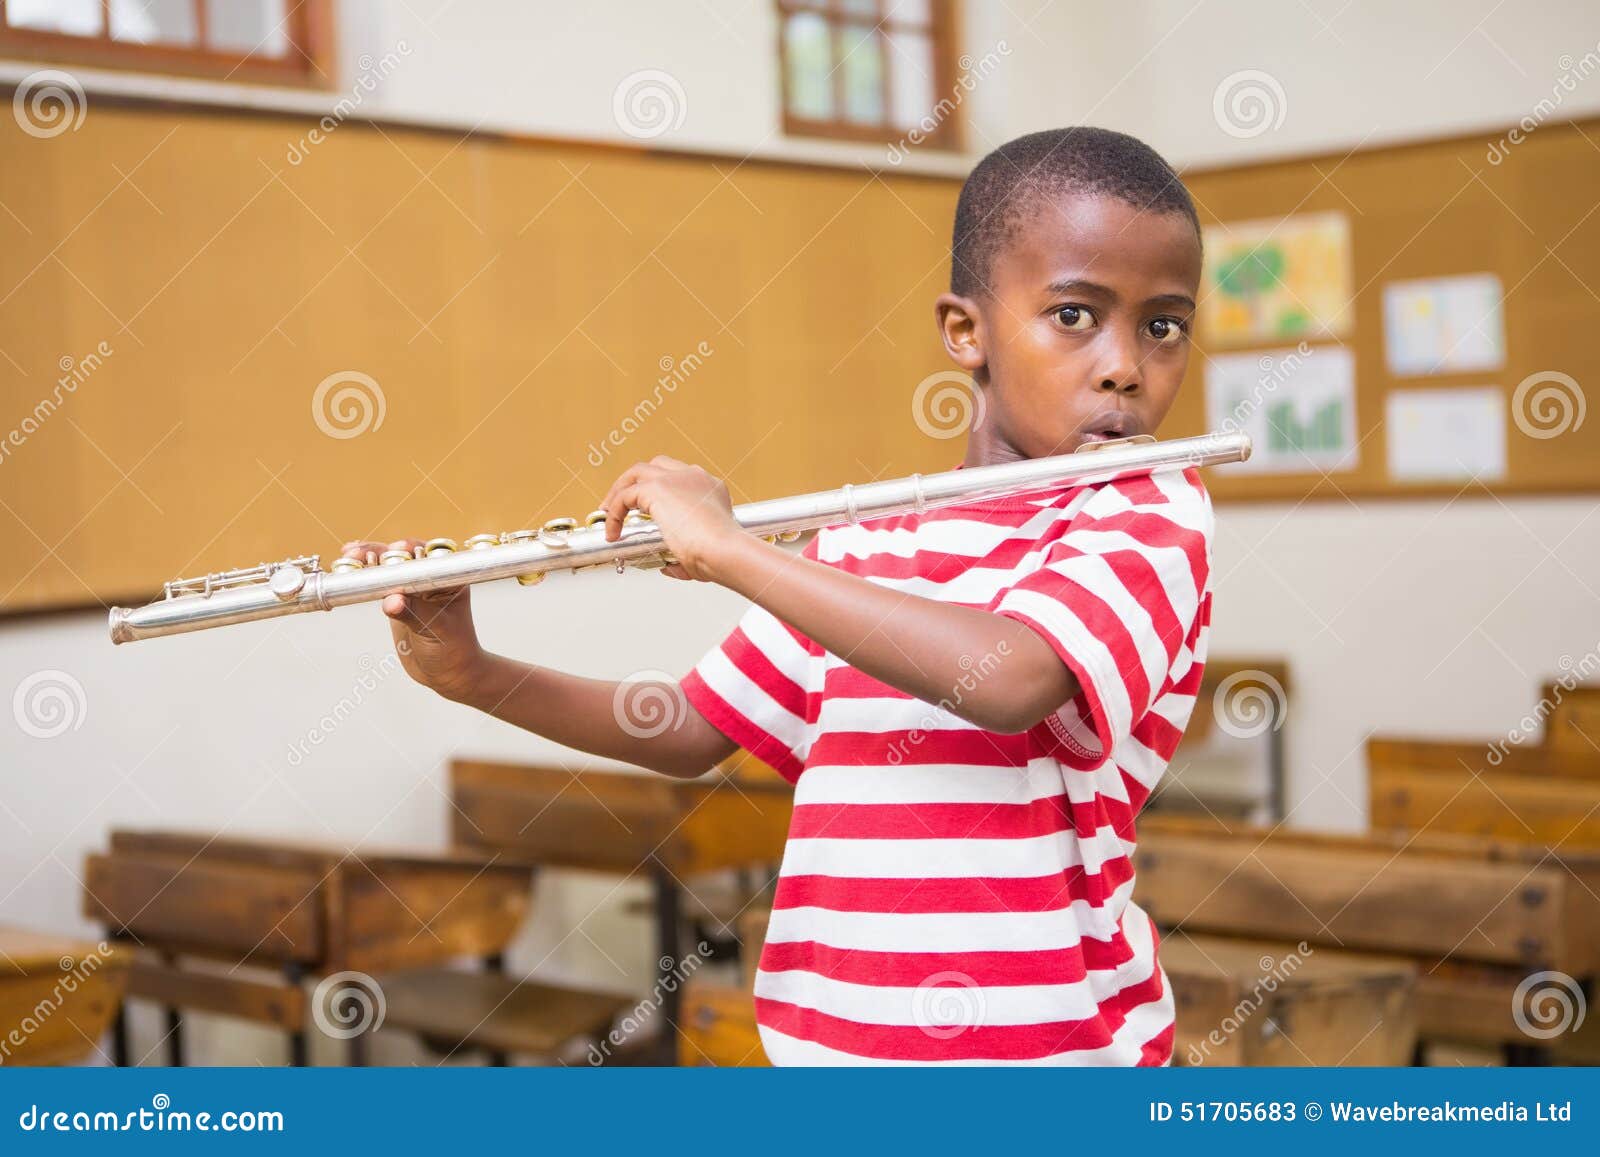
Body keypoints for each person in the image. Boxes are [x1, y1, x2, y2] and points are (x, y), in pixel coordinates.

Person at [343, 127, 1213, 1065]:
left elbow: (1007, 675)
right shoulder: (863, 541)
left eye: (1163, 325)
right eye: (1076, 315)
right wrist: (472, 673)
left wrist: (731, 550)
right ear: (967, 331)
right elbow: (685, 726)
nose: (1125, 364)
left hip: (1046, 1064)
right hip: (827, 1058)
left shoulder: (1152, 511)